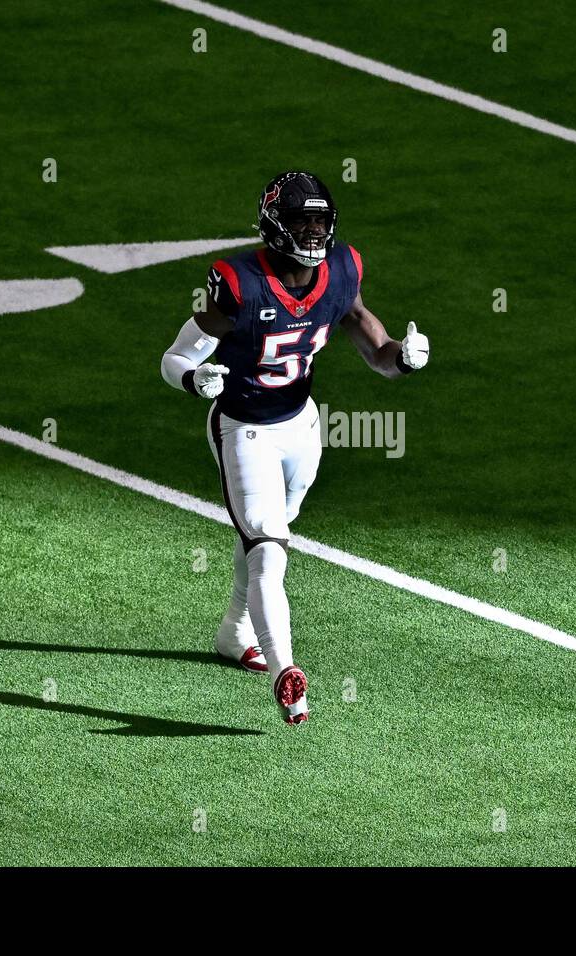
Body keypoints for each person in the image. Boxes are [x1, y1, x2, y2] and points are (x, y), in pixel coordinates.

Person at [160, 170, 430, 724]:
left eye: (320, 221)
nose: (313, 233)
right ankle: (288, 672)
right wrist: (194, 379)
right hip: (243, 427)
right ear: (274, 225)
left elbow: (375, 348)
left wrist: (402, 356)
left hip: (303, 425)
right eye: (302, 221)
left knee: (269, 538)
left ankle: (234, 633)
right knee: (267, 543)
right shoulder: (239, 282)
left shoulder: (341, 273)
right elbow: (175, 356)